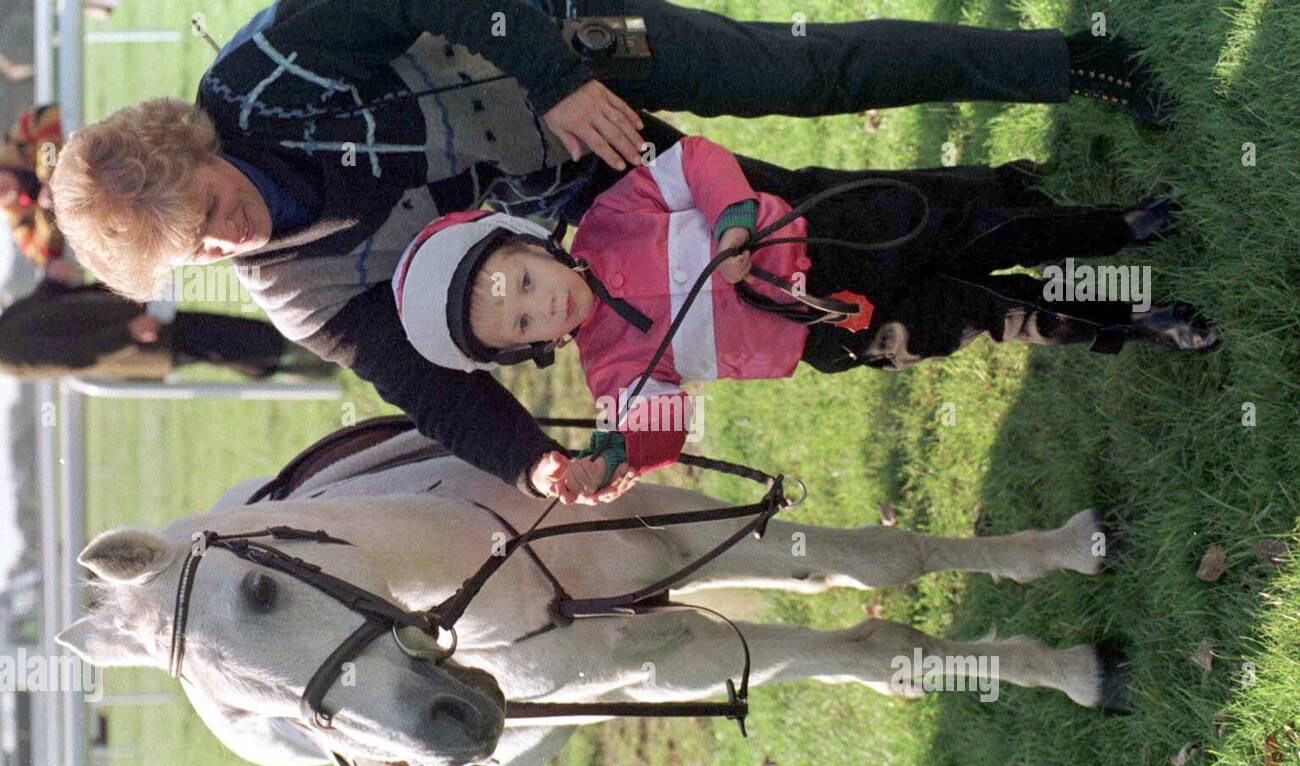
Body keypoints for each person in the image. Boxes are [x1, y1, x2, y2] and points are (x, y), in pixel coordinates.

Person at [48, 0, 1174, 502]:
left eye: (205, 204)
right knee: (830, 243)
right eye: (193, 251)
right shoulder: (290, 288)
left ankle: (1071, 64)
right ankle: (1067, 243)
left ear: (187, 143)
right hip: (606, 210)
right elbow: (413, 380)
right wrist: (530, 461)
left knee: (795, 74)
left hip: (571, 44)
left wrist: (557, 76)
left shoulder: (265, 69)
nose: (222, 235)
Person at [390, 135, 1219, 496]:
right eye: (525, 325)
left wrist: (733, 223)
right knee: (997, 312)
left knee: (990, 231)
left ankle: (1117, 228)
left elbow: (699, 164)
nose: (544, 306)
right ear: (527, 352)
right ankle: (1137, 318)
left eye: (524, 283)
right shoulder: (613, 366)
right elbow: (661, 425)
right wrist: (614, 455)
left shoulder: (616, 213)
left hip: (839, 231)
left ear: (532, 243)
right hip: (842, 332)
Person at [0, 277, 331, 382]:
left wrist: (51, 282)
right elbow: (71, 357)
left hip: (147, 322)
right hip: (148, 340)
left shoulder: (5, 324)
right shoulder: (6, 353)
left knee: (239, 343)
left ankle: (319, 361)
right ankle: (325, 357)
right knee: (244, 341)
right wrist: (128, 334)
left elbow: (46, 304)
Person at [1, 103, 64, 268]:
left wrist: (48, 175)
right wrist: (46, 210)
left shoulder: (16, 143)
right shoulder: (21, 224)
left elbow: (48, 117)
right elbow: (45, 256)